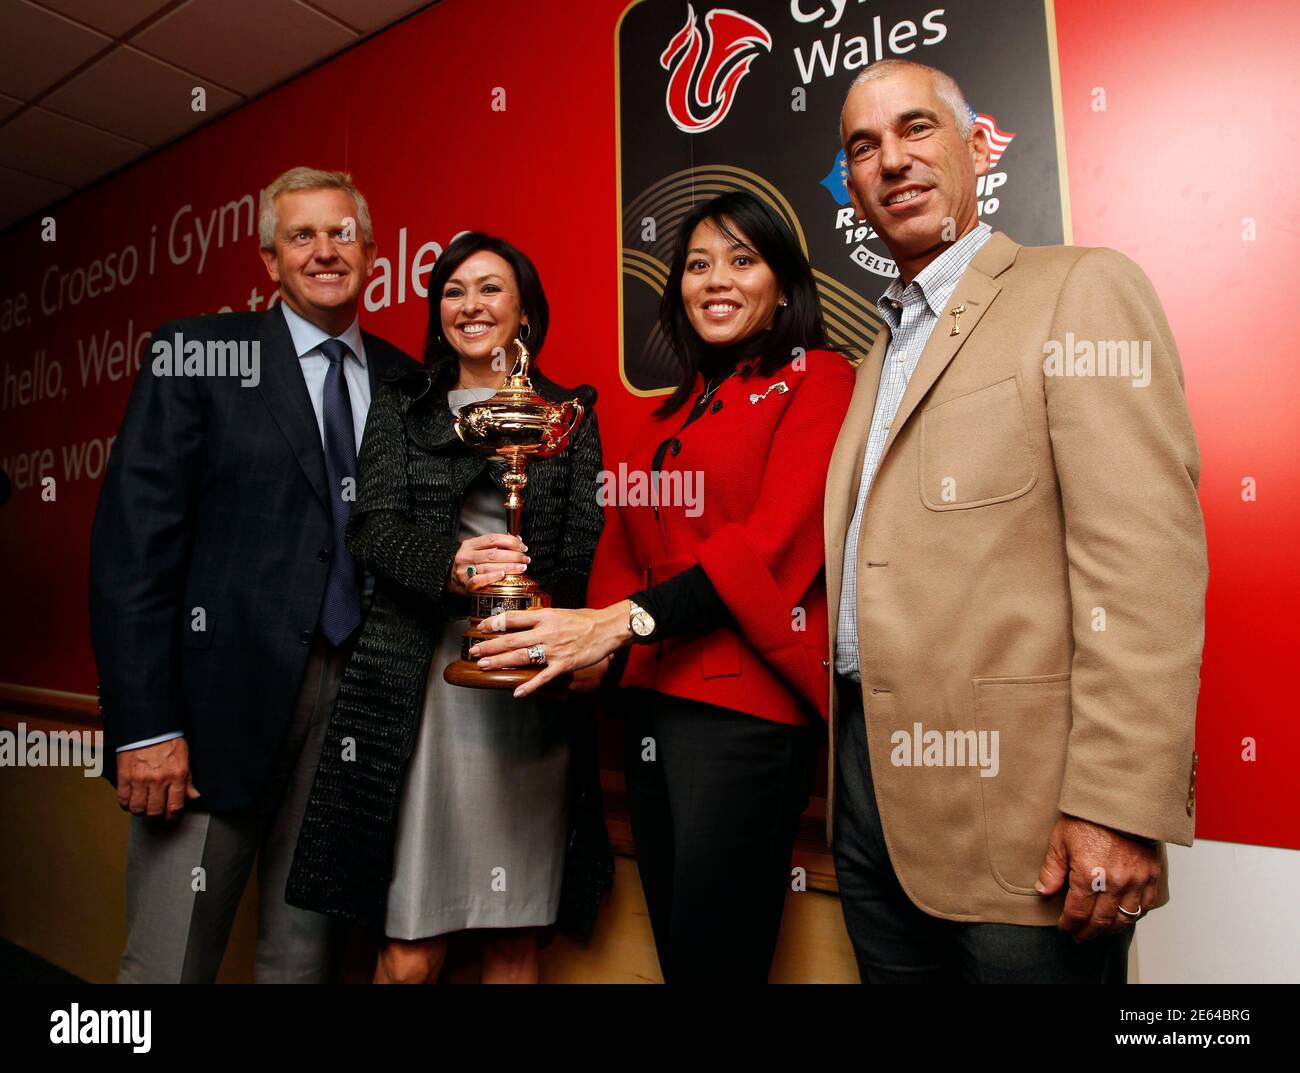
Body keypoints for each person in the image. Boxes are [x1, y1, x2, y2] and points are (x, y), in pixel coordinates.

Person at [824, 59, 1207, 983]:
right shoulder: (876, 348)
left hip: (1028, 818)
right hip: (870, 805)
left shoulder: (1080, 290)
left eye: (917, 129)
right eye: (863, 147)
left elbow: (1144, 562)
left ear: (975, 145)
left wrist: (1119, 802)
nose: (892, 161)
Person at [467, 192, 855, 982]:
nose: (716, 280)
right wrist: (554, 646)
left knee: (717, 963)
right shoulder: (660, 415)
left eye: (743, 260)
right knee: (682, 959)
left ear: (783, 286)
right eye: (698, 263)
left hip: (746, 714)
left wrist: (617, 624)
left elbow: (773, 547)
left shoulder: (817, 378)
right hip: (653, 712)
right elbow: (619, 562)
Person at [89, 167, 418, 982]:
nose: (324, 250)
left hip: (357, 704)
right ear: (270, 259)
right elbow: (134, 548)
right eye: (301, 235)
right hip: (206, 722)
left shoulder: (407, 380)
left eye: (341, 233)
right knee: (171, 961)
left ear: (372, 253)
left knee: (302, 959)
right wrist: (145, 725)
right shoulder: (199, 352)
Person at [285, 232, 613, 984]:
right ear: (439, 313)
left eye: (490, 288)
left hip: (528, 696)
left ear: (523, 309)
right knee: (407, 955)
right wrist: (452, 566)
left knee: (513, 944)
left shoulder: (567, 416)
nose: (471, 305)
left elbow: (579, 548)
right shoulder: (404, 407)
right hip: (421, 689)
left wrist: (540, 625)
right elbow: (371, 526)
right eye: (455, 291)